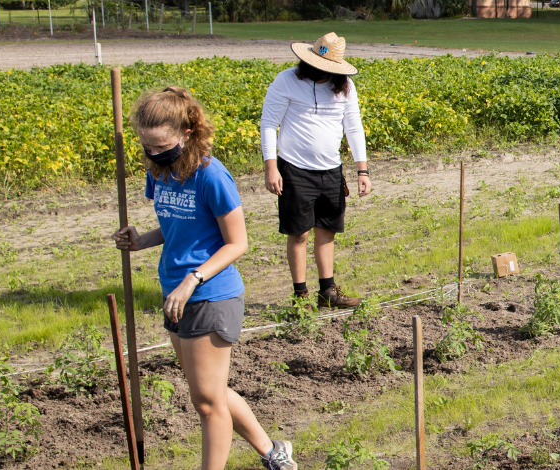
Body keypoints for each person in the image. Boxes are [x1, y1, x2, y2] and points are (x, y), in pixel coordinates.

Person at [111, 88, 298, 470]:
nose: (153, 153)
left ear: (186, 132)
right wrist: (140, 240)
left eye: (161, 146)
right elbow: (179, 225)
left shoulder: (212, 175)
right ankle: (273, 451)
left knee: (206, 403)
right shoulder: (159, 170)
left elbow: (237, 243)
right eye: (146, 146)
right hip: (176, 293)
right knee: (211, 391)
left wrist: (192, 279)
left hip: (210, 294)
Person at [260, 32, 371, 308]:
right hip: (294, 169)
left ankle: (328, 292)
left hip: (331, 170)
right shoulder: (286, 80)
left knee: (327, 230)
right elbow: (268, 124)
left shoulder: (345, 87)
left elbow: (353, 127)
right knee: (298, 233)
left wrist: (362, 170)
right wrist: (271, 167)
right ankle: (300, 297)